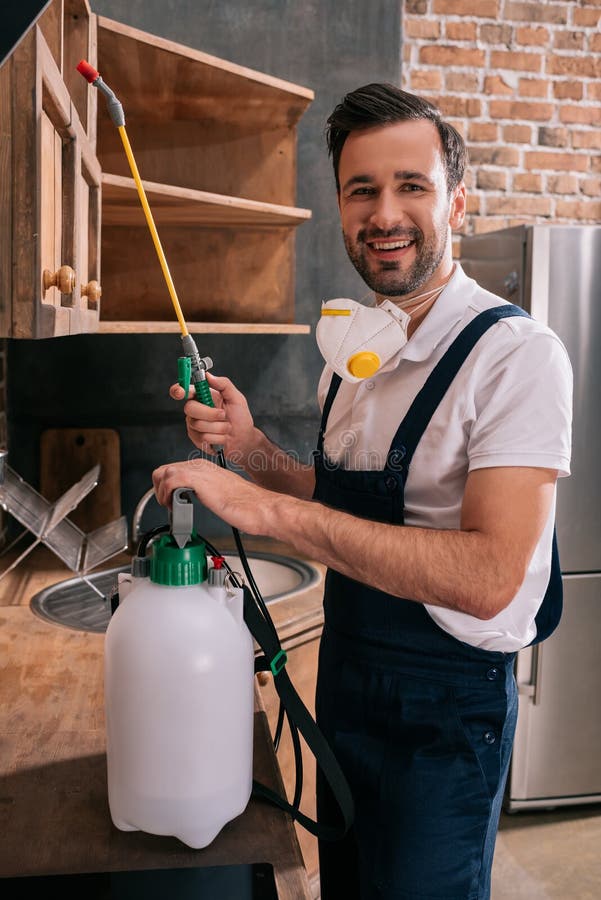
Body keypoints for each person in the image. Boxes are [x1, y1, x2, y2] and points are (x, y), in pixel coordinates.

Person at [153, 84, 573, 900]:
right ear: (340, 207)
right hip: (348, 685)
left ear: (456, 199)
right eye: (361, 190)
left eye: (409, 186)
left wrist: (265, 510)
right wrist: (249, 450)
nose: (384, 213)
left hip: (443, 716)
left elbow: (487, 579)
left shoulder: (515, 356)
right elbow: (349, 501)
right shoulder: (351, 356)